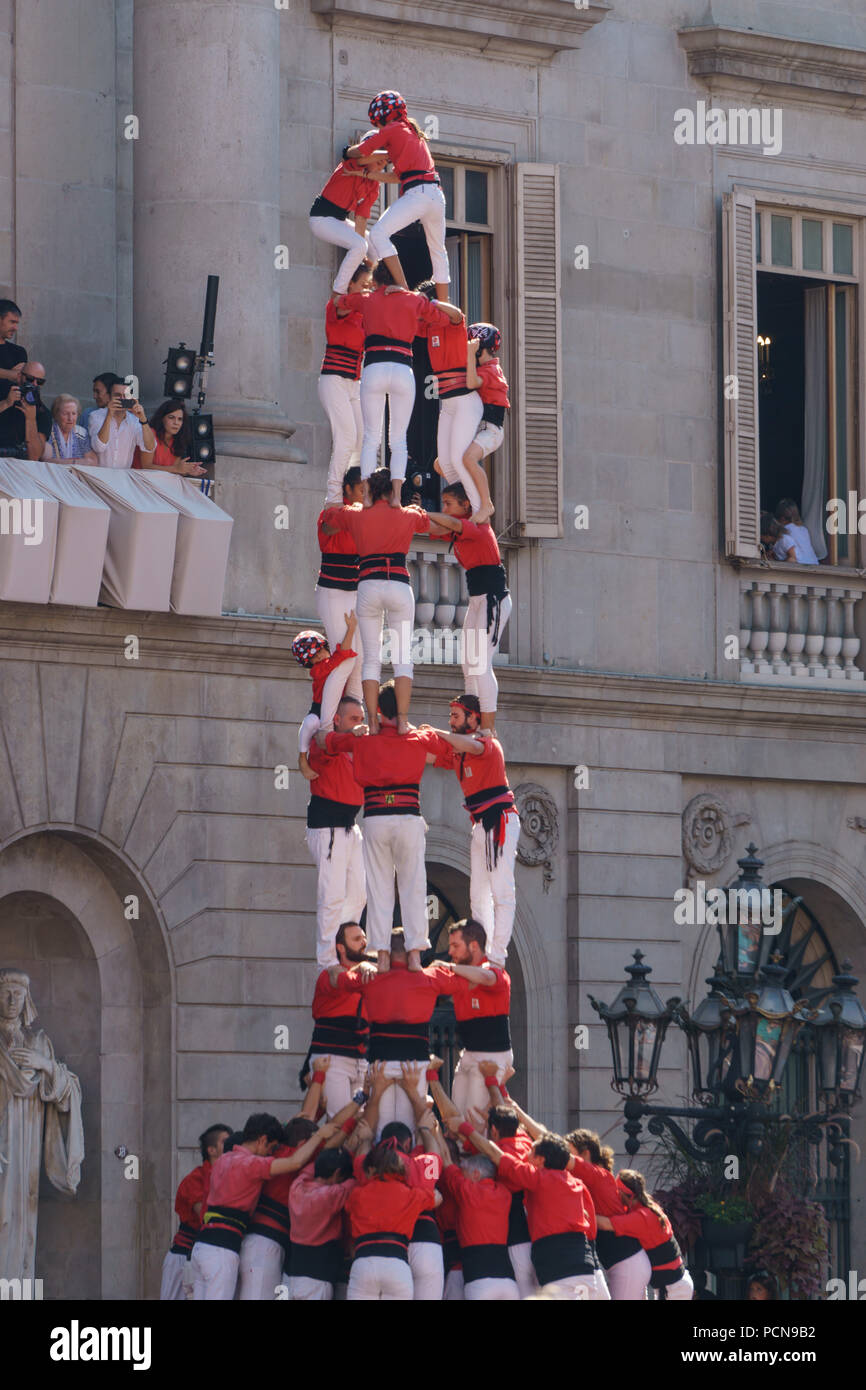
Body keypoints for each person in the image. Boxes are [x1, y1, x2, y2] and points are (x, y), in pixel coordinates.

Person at [318, 682, 441, 966]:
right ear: (401, 708)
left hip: (375, 815)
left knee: (378, 886)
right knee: (414, 884)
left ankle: (382, 954)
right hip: (408, 815)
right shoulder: (418, 737)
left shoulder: (363, 739)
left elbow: (326, 741)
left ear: (377, 710)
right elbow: (446, 752)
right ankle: (413, 954)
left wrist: (353, 730)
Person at [334, 267, 463, 504]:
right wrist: (428, 300)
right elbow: (452, 318)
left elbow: (339, 304)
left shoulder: (368, 298)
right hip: (403, 368)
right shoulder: (413, 300)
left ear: (377, 279)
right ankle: (395, 497)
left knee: (372, 437)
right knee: (399, 439)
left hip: (374, 367)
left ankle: (368, 498)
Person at [322, 469, 432, 726]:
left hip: (368, 584)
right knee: (403, 659)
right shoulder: (408, 514)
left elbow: (328, 521)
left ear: (369, 490)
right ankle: (403, 722)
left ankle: (372, 722)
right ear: (392, 490)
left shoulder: (355, 515)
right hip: (398, 584)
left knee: (370, 658)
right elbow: (426, 522)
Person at [453, 1122, 610, 1299]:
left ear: (541, 1160)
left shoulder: (538, 1178)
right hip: (585, 1267)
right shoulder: (578, 1184)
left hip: (558, 1270)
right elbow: (591, 1229)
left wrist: (465, 1128)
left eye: (531, 1151)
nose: (526, 1154)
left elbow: (496, 1155)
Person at [189, 1111, 336, 1300]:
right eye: (272, 1147)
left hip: (201, 1246)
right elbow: (295, 1161)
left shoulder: (223, 1160)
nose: (270, 1153)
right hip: (222, 1249)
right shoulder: (251, 1165)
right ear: (262, 1140)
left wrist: (286, 1125)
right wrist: (319, 1135)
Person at [426, 695, 520, 964]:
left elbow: (467, 745)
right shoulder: (459, 752)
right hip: (481, 827)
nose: (450, 721)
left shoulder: (487, 745)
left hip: (499, 822)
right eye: (450, 716)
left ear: (473, 718)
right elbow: (431, 755)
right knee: (478, 895)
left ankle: (498, 956)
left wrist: (435, 733)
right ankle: (483, 952)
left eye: (455, 716)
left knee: (502, 892)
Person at [330, 930, 454, 1132]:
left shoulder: (370, 977)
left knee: (379, 1129)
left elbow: (336, 979)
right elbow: (466, 984)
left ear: (385, 950)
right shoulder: (431, 977)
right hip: (415, 1062)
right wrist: (444, 967)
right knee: (413, 1129)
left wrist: (361, 966)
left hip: (381, 1061)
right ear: (413, 951)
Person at [346, 92, 450, 301]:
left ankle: (403, 287)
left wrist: (347, 152)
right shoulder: (411, 133)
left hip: (418, 194)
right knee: (438, 250)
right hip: (435, 195)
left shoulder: (393, 128)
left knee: (378, 233)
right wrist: (364, 173)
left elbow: (362, 151)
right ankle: (443, 303)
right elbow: (395, 177)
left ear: (382, 117)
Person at [428, 495, 511, 730]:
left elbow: (449, 523)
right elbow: (433, 526)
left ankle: (488, 727)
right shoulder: (458, 532)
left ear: (466, 505)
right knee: (468, 663)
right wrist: (410, 514)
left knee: (481, 664)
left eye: (448, 503)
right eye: (442, 503)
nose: (444, 508)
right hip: (477, 601)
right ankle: (471, 718)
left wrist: (425, 512)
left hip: (493, 600)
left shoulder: (477, 527)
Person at [303, 697, 367, 972]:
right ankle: (326, 963)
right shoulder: (324, 745)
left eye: (361, 719)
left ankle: (345, 949)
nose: (360, 725)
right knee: (331, 897)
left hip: (349, 826)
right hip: (327, 826)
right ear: (337, 720)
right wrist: (349, 737)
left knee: (359, 895)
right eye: (354, 719)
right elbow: (324, 743)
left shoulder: (355, 749)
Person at [415, 281, 483, 513]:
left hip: (465, 400)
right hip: (448, 402)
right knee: (445, 462)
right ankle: (462, 509)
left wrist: (431, 302)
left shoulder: (453, 322)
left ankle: (478, 509)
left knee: (458, 458)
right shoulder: (428, 327)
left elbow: (457, 314)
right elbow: (404, 320)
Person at [345, 1137, 440, 1300]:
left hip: (363, 1264)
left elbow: (348, 1208)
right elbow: (438, 1198)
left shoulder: (357, 1194)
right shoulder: (410, 1195)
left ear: (371, 1169)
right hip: (396, 1266)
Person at [436, 918, 512, 1113]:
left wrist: (449, 967)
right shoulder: (459, 973)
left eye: (455, 945)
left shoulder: (493, 967)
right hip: (468, 1053)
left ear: (474, 945)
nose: (450, 951)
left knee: (475, 1119)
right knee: (456, 1117)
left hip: (491, 1056)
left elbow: (487, 977)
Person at [566, 1129, 650, 1301]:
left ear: (586, 1153)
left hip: (627, 1263)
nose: (567, 1157)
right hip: (626, 1263)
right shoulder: (597, 1176)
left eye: (570, 1151)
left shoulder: (597, 1175)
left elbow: (557, 1154)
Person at [159, 1122, 232, 1301]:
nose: (231, 1146)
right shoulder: (195, 1178)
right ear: (211, 1150)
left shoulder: (231, 1176)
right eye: (225, 1142)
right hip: (183, 1257)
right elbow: (205, 1216)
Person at [595, 1169, 693, 1301]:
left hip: (675, 1289)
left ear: (628, 1196)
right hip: (672, 1285)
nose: (615, 1195)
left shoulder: (642, 1217)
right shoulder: (647, 1207)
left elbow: (606, 1224)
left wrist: (581, 1211)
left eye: (617, 1192)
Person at [305, 920, 371, 1114]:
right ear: (340, 947)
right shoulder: (328, 975)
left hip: (361, 1060)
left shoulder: (369, 975)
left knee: (361, 1124)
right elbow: (342, 980)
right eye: (357, 939)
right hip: (332, 1059)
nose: (364, 942)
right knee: (339, 1124)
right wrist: (361, 969)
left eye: (364, 937)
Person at [319, 266, 372, 506]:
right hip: (333, 380)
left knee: (361, 437)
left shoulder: (363, 314)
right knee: (347, 435)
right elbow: (341, 301)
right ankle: (333, 494)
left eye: (369, 285)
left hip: (354, 383)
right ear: (349, 285)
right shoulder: (337, 307)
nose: (367, 290)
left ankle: (352, 491)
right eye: (363, 285)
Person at [309, 149, 395, 295]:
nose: (383, 162)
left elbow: (361, 217)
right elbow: (363, 156)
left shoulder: (373, 185)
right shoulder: (351, 166)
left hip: (339, 220)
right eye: (380, 158)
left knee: (375, 244)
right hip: (320, 219)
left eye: (386, 161)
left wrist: (364, 257)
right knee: (359, 245)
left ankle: (378, 291)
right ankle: (339, 291)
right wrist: (390, 150)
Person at [439, 1148, 519, 1301]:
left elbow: (446, 1160)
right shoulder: (504, 1192)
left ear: (476, 1174)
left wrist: (434, 1132)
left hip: (479, 1280)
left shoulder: (466, 1190)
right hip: (509, 1282)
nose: (461, 1173)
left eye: (464, 1170)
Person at [292, 612, 360, 772]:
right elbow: (341, 655)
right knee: (309, 723)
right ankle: (302, 757)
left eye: (320, 651)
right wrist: (351, 629)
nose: (319, 657)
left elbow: (341, 655)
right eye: (313, 658)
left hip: (340, 707)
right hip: (319, 708)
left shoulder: (333, 664)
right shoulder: (318, 670)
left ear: (325, 646)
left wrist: (352, 628)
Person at [288, 1147, 356, 1299]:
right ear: (338, 1173)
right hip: (317, 1280)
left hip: (293, 1278)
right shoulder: (331, 1195)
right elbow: (355, 1180)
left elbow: (308, 1169)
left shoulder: (296, 1187)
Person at [463, 322, 509, 522]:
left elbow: (471, 382)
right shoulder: (489, 368)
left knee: (469, 459)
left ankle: (486, 504)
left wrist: (468, 355)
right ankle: (472, 498)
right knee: (448, 462)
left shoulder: (490, 371)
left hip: (491, 430)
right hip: (482, 429)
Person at [89, 378, 156, 469]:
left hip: (123, 477)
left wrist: (143, 419)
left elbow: (150, 447)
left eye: (126, 396)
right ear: (109, 397)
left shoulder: (134, 421)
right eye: (117, 395)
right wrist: (109, 415)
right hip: (99, 477)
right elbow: (98, 447)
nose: (122, 399)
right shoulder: (96, 416)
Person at [139, 400, 207, 476]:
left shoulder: (179, 440)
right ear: (162, 418)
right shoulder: (150, 433)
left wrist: (188, 471)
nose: (176, 423)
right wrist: (177, 469)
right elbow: (146, 467)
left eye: (180, 419)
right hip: (139, 482)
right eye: (171, 417)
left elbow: (173, 470)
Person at [0, 361, 52, 459]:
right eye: (30, 379)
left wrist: (31, 420)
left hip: (16, 461)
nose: (34, 384)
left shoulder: (42, 412)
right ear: (19, 376)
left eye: (39, 382)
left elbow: (34, 456)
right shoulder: (3, 389)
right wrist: (5, 403)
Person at [41, 395, 98, 463]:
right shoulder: (49, 430)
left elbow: (93, 461)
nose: (70, 418)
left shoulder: (81, 433)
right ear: (56, 415)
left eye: (74, 414)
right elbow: (46, 460)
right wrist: (75, 462)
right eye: (65, 414)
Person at [772, 498, 819, 564]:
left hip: (799, 567)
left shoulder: (784, 531)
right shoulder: (804, 529)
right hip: (814, 564)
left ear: (782, 518)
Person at [0, 299, 26, 405]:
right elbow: (16, 376)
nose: (15, 328)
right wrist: (11, 374)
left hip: (14, 414)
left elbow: (22, 379)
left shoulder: (19, 352)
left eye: (17, 323)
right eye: (12, 322)